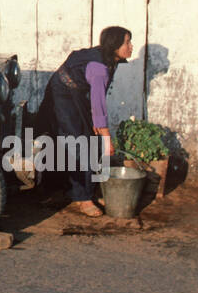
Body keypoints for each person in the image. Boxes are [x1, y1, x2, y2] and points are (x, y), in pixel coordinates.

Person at [36, 26, 133, 217]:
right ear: (114, 46)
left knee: (89, 138)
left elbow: (97, 101)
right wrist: (107, 138)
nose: (130, 46)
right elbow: (98, 105)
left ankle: (84, 189)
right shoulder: (99, 68)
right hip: (62, 93)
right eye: (126, 42)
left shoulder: (109, 59)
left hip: (77, 93)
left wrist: (99, 127)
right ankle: (82, 198)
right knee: (79, 142)